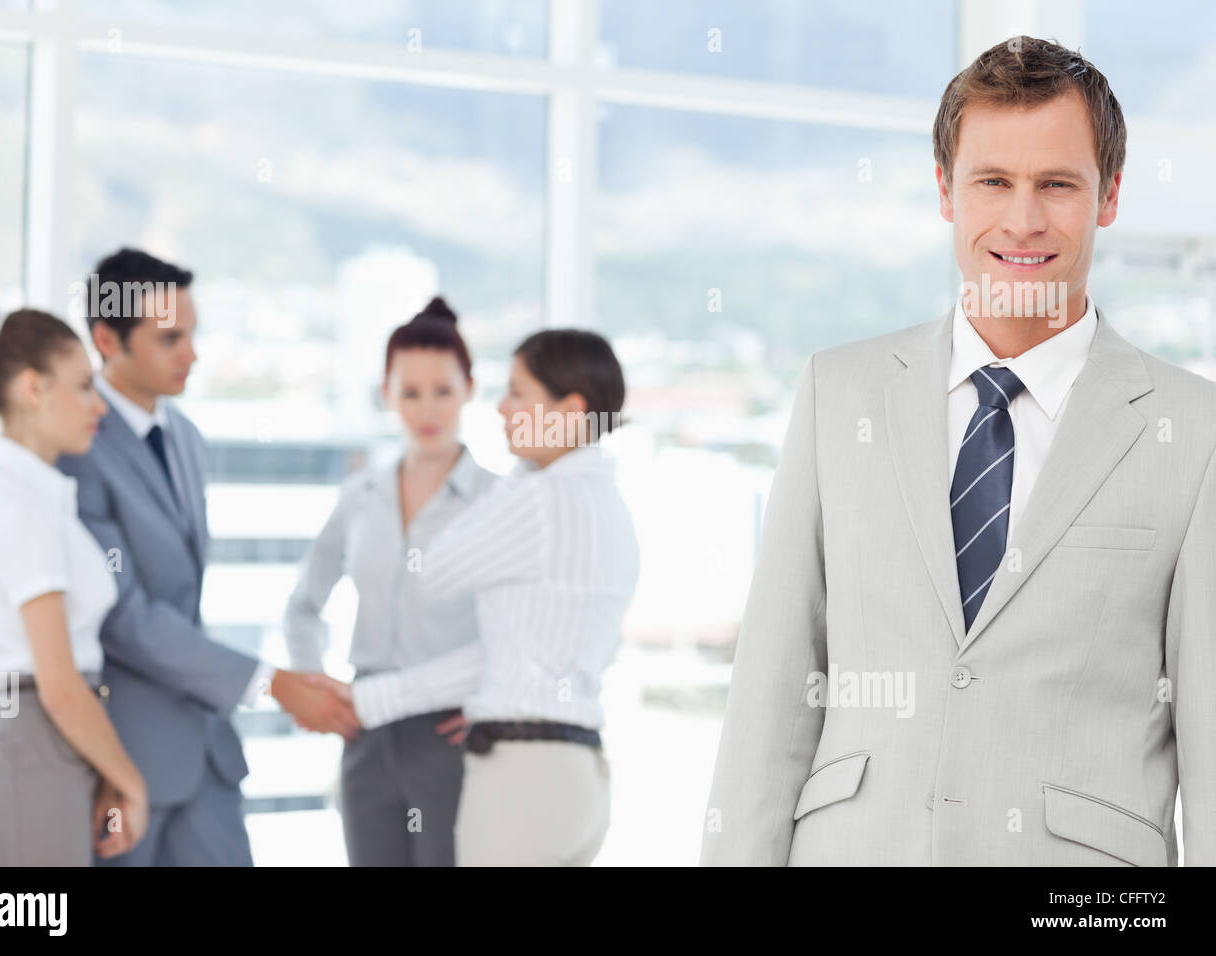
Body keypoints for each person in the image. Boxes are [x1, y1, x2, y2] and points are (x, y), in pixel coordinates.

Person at [701, 37, 1216, 866]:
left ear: (1110, 194)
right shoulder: (840, 394)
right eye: (993, 182)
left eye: (1056, 184)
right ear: (946, 189)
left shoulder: (1193, 430)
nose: (1022, 219)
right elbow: (770, 701)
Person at [57, 248, 356, 866]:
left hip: (205, 754)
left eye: (192, 334)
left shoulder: (187, 436)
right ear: (107, 338)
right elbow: (124, 617)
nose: (191, 354)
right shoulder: (76, 449)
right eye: (170, 338)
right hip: (122, 761)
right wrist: (270, 683)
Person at [340, 329, 640, 866]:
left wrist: (522, 470)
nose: (501, 410)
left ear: (570, 410)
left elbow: (434, 570)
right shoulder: (610, 507)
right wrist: (373, 701)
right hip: (581, 777)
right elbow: (512, 656)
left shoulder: (540, 496)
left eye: (518, 393)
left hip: (520, 779)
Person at [283, 296, 497, 866]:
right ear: (386, 395)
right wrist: (314, 688)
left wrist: (492, 699)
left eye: (443, 391)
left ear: (470, 389)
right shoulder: (361, 497)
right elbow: (304, 604)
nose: (428, 409)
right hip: (365, 732)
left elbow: (524, 625)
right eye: (410, 392)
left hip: (454, 738)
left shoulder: (498, 502)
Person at [0, 303, 149, 866]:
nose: (98, 405)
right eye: (84, 386)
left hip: (47, 747)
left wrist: (105, 768)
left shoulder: (40, 499)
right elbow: (59, 683)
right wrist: (132, 782)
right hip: (32, 745)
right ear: (34, 388)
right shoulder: (22, 509)